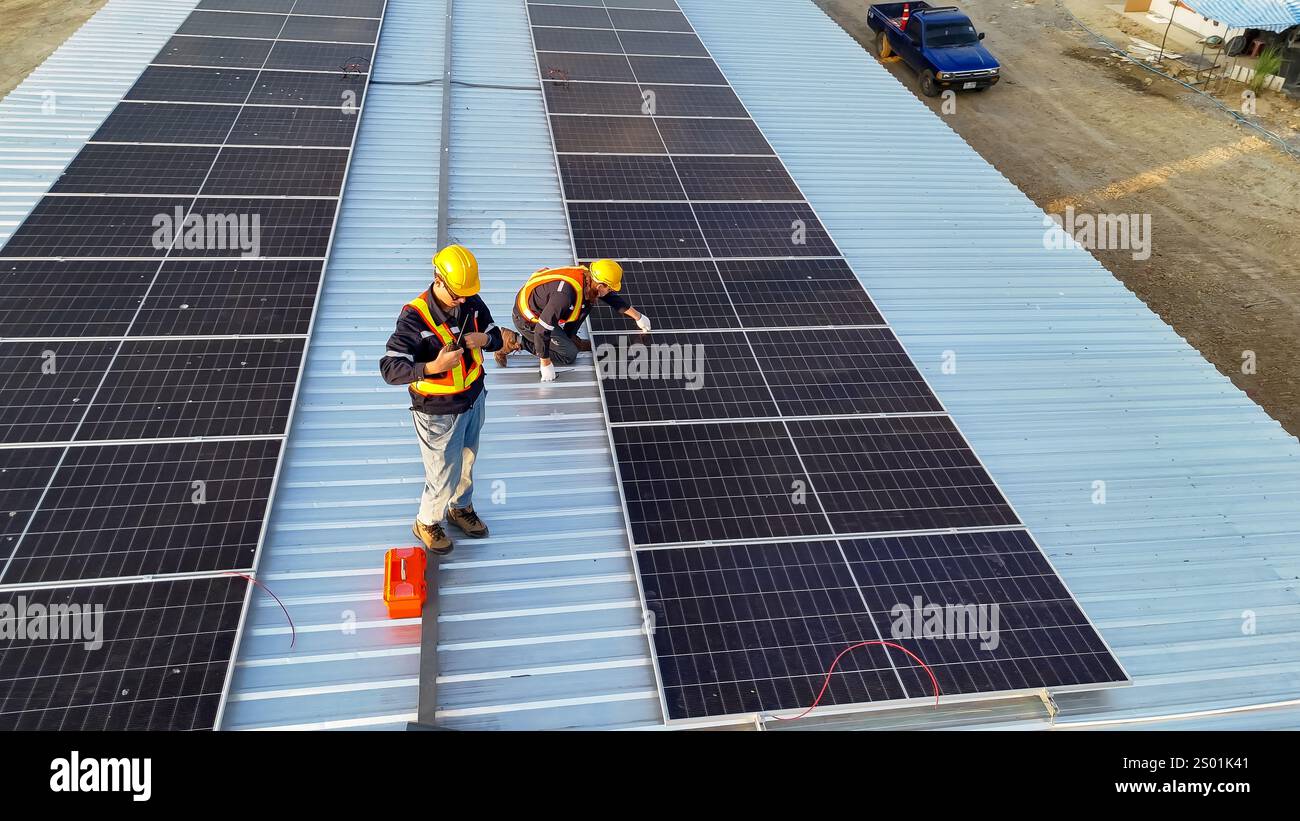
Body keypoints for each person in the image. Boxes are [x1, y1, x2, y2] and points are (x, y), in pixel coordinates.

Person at [380, 245, 503, 556]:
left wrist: (485, 339)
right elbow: (390, 368)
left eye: (466, 294)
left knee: (467, 461)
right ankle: (426, 521)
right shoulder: (414, 317)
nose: (463, 300)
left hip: (474, 398)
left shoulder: (470, 301)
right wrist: (432, 367)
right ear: (438, 281)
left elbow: (495, 334)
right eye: (457, 295)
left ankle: (460, 509)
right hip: (438, 412)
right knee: (441, 475)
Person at [495, 259, 651, 381]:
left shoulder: (588, 278)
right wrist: (545, 362)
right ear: (600, 284)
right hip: (528, 320)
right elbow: (543, 328)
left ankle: (568, 339)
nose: (610, 291)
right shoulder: (565, 296)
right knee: (568, 355)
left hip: (546, 307)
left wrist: (638, 316)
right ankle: (513, 340)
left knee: (587, 302)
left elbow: (609, 297)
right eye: (609, 287)